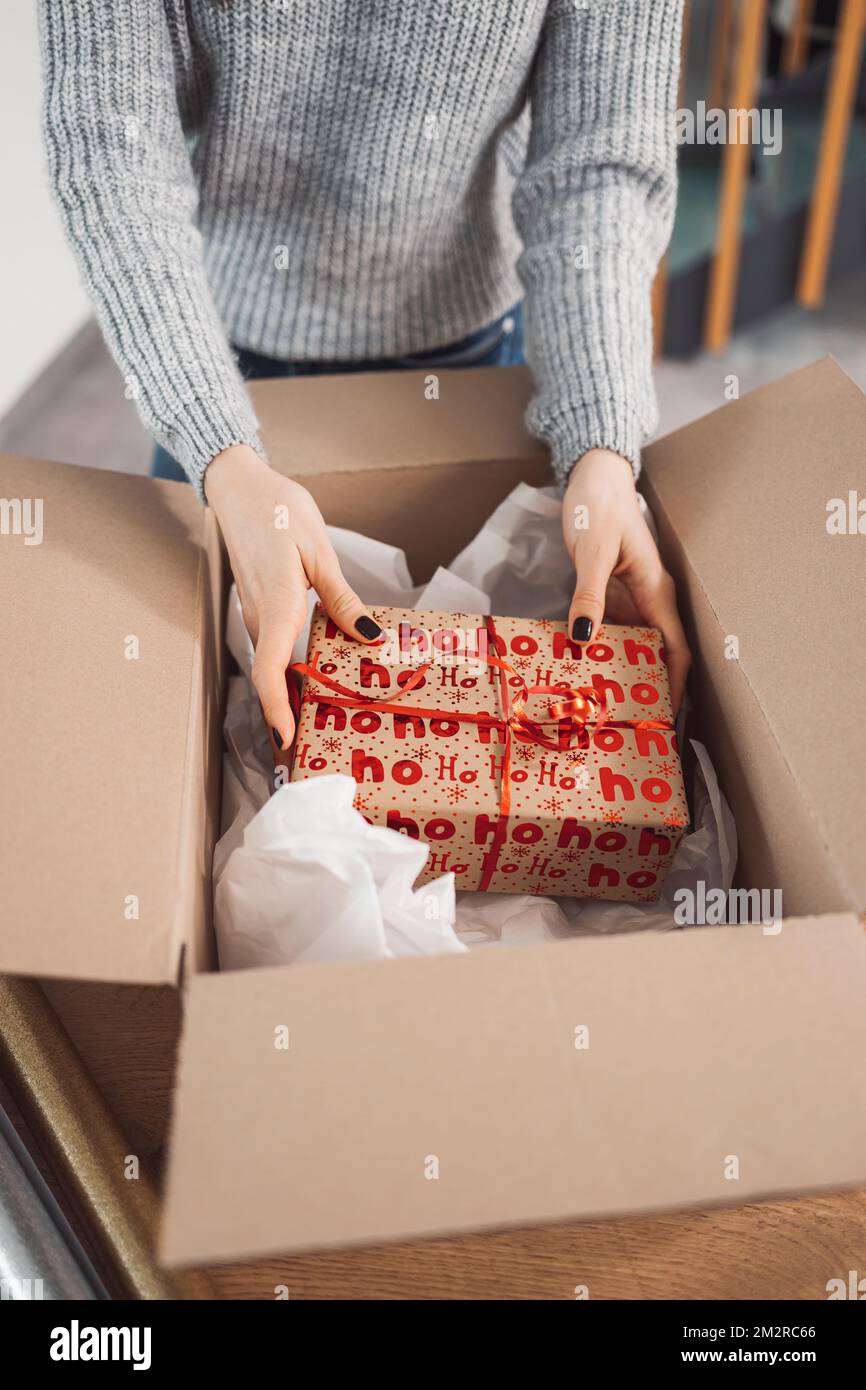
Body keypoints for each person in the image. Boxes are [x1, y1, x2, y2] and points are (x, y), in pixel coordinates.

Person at [40, 0, 690, 751]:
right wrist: (216, 447)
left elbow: (598, 164)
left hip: (469, 354)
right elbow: (113, 161)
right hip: (217, 366)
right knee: (188, 710)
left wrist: (603, 444)